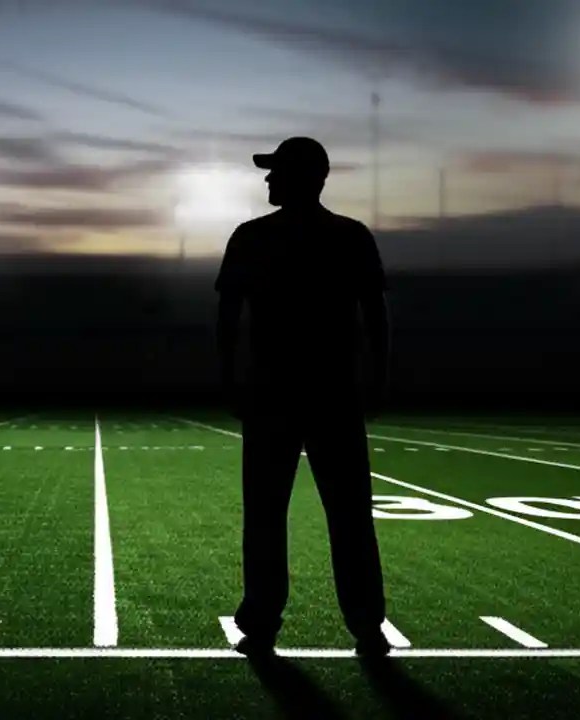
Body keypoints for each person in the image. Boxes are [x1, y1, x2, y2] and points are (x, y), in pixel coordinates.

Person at [215, 136, 391, 658]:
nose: (267, 181)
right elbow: (375, 318)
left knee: (267, 514)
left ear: (300, 178)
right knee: (350, 514)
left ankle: (263, 621)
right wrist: (376, 379)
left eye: (275, 173)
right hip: (333, 393)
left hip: (273, 394)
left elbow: (228, 320)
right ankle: (366, 623)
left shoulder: (251, 237)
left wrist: (230, 379)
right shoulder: (350, 236)